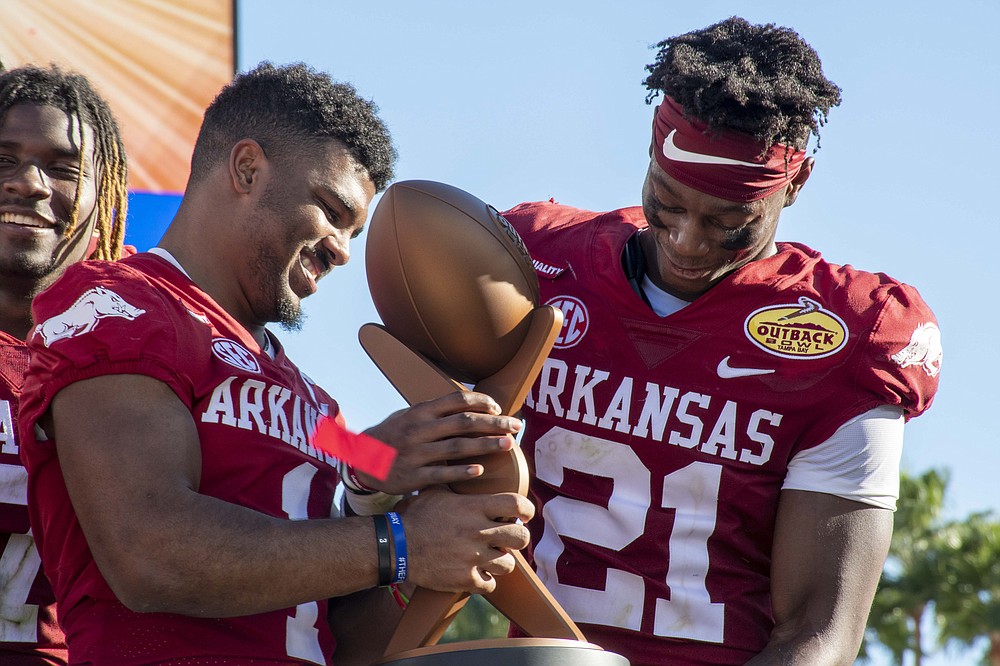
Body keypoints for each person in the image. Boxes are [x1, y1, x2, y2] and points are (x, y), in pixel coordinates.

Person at [17, 61, 533, 665]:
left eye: (355, 231)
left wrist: (423, 488)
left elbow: (355, 469)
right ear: (247, 168)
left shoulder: (314, 401)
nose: (342, 250)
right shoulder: (119, 305)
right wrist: (401, 542)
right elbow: (152, 553)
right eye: (331, 210)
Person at [503, 17, 942, 666]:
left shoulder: (852, 333)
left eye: (729, 220)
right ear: (651, 159)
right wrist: (363, 472)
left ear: (797, 183)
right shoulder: (536, 260)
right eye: (668, 201)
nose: (687, 239)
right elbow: (393, 461)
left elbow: (819, 633)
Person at [0, 63, 129, 665]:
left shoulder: (158, 319)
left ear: (107, 193)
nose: (29, 183)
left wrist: (380, 462)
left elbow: (301, 429)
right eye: (4, 159)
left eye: (63, 167)